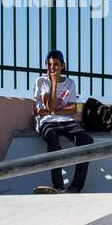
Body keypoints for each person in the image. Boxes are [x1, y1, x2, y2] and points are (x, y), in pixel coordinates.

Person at [31, 49, 92, 194]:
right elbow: (50, 105)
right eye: (49, 64)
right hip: (46, 122)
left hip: (66, 121)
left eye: (56, 65)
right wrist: (53, 83)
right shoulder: (42, 81)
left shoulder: (70, 83)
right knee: (53, 142)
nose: (52, 68)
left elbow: (72, 109)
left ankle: (76, 186)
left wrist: (52, 111)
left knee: (86, 141)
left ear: (63, 66)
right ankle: (58, 185)